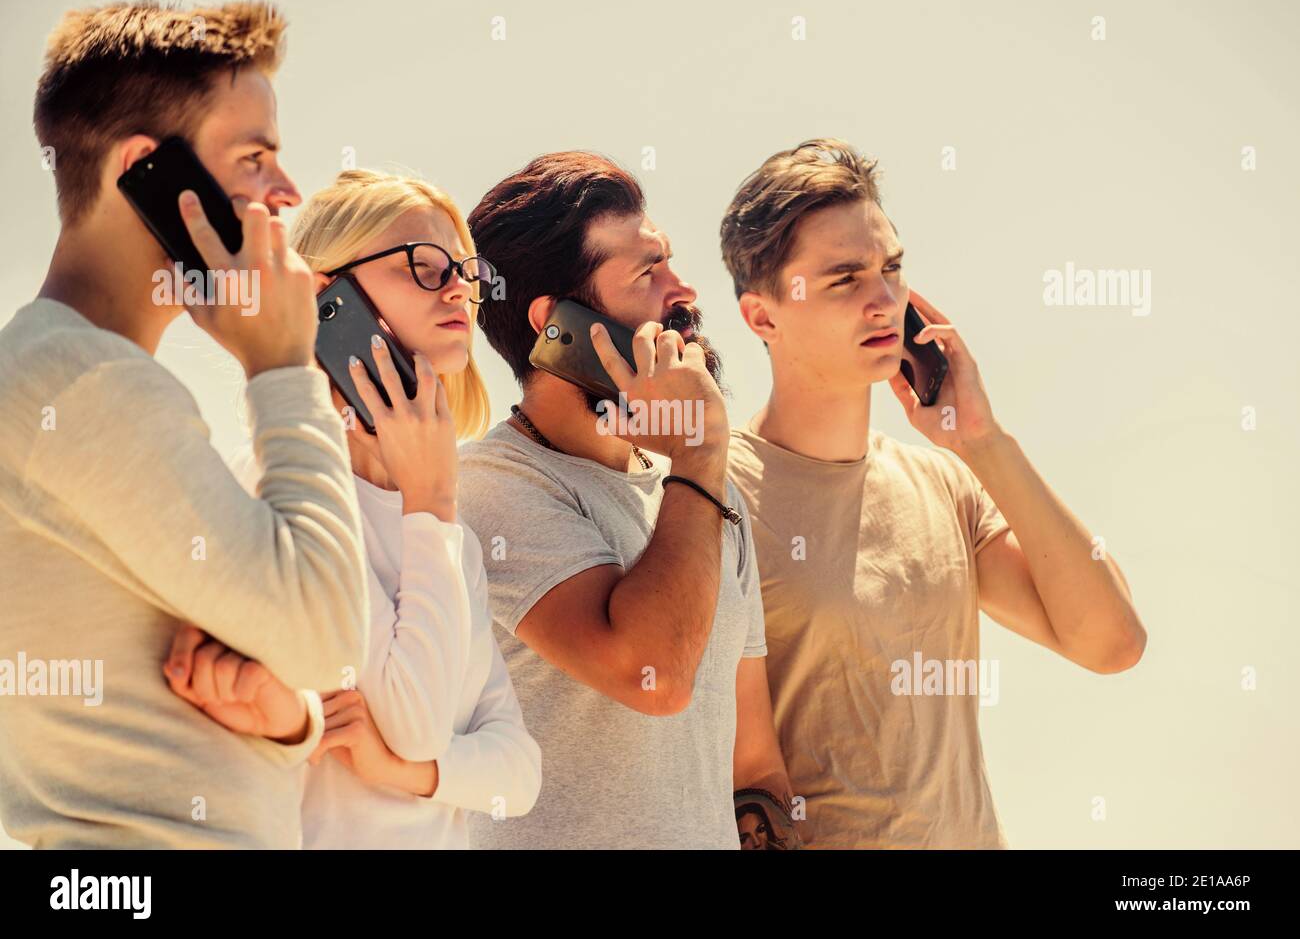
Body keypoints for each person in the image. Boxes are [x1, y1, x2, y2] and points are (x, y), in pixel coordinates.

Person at [0, 1, 369, 848]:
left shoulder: (80, 372)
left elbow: (280, 669)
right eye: (253, 159)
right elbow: (324, 636)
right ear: (146, 172)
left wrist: (288, 724)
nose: (288, 193)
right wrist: (282, 364)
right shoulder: (78, 379)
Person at [719, 138, 1148, 848]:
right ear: (763, 317)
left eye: (891, 269)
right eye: (844, 278)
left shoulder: (944, 483)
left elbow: (1113, 641)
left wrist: (984, 443)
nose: (884, 300)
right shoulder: (715, 493)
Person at [457, 151, 799, 849]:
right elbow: (654, 677)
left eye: (668, 261)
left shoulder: (706, 490)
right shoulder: (491, 486)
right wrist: (700, 450)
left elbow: (754, 762)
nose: (683, 291)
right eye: (648, 272)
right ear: (558, 325)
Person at [219, 170, 541, 848]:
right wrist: (432, 500)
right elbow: (419, 722)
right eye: (423, 267)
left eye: (463, 269)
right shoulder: (286, 495)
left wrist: (401, 769)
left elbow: (520, 772)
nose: (458, 287)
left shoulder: (446, 533)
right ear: (327, 294)